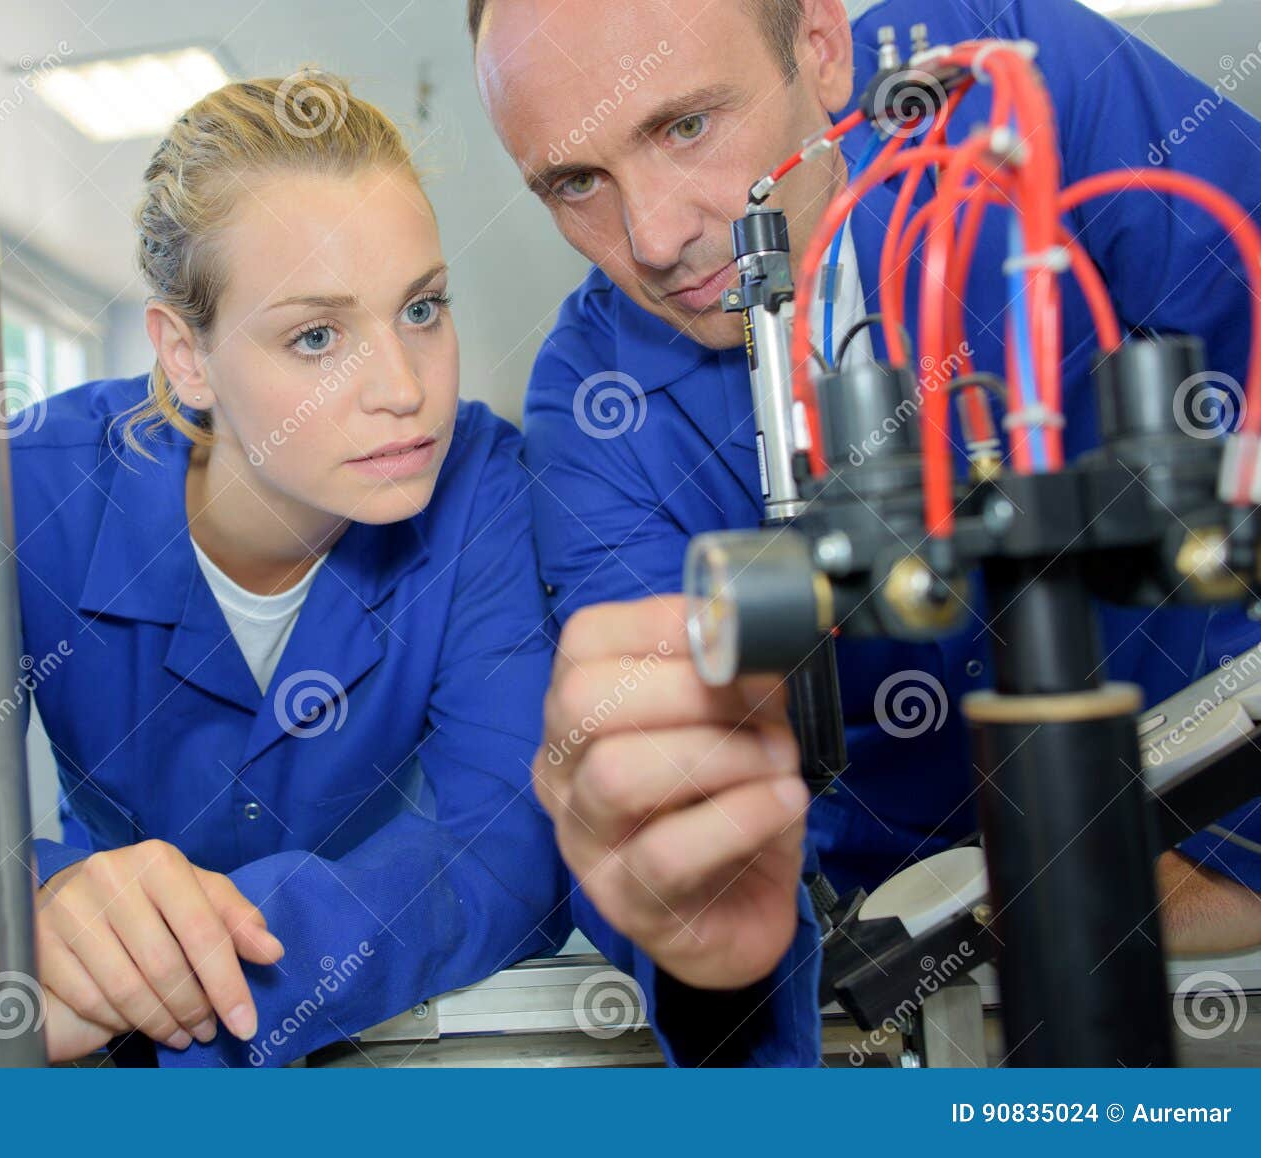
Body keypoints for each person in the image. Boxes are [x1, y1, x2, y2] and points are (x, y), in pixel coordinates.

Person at [0, 72, 812, 1067]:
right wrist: (40, 905)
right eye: (317, 335)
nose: (403, 388)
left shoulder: (483, 492)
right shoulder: (21, 491)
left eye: (421, 310)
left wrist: (189, 965)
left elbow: (501, 849)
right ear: (185, 357)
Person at [471, 0, 1261, 1060]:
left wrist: (1216, 856)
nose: (653, 238)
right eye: (574, 183)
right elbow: (662, 801)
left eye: (686, 126)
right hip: (922, 930)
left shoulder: (1018, 73)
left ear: (820, 47)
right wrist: (716, 953)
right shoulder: (593, 403)